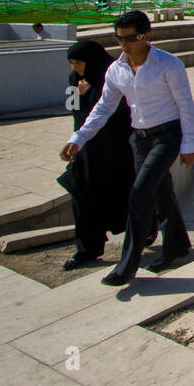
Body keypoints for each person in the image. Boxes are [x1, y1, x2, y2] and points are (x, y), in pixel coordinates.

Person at [58, 10, 194, 286]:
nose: (125, 45)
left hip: (167, 135)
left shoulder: (168, 65)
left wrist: (190, 142)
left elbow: (185, 104)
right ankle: (178, 245)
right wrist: (78, 138)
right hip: (140, 137)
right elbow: (103, 108)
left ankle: (127, 266)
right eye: (119, 39)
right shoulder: (116, 69)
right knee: (161, 191)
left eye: (131, 38)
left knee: (139, 193)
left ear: (147, 35)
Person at [57, 40, 138, 270]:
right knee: (80, 193)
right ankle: (87, 247)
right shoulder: (74, 79)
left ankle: (144, 230)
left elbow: (117, 110)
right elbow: (71, 106)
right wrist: (81, 94)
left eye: (79, 63)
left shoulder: (113, 75)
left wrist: (90, 93)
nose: (76, 68)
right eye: (72, 63)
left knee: (122, 192)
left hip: (113, 148)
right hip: (85, 149)